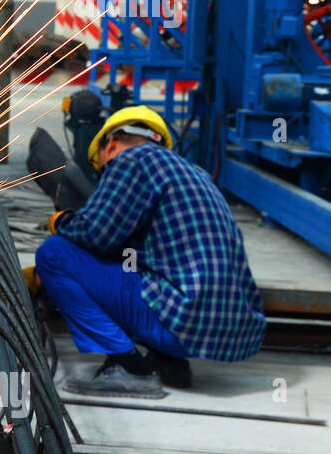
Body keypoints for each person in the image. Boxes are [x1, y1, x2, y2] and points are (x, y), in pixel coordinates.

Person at [32, 105, 266, 396]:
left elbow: (96, 236)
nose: (104, 176)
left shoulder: (131, 159)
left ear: (112, 144)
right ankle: (168, 362)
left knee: (54, 253)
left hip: (186, 321)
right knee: (136, 265)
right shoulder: (196, 174)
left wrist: (62, 221)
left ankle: (127, 366)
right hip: (234, 333)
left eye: (102, 167)